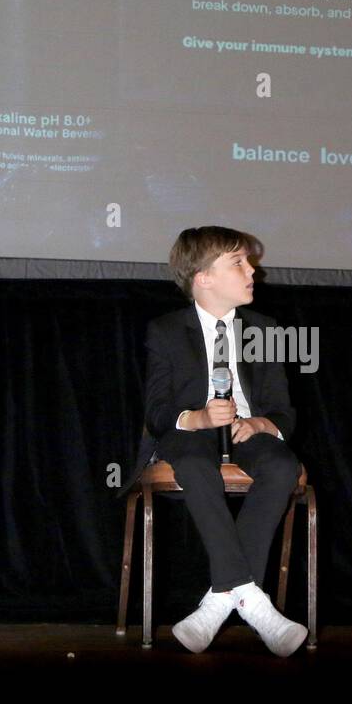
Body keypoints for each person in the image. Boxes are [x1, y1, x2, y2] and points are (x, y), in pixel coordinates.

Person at [134, 226, 307, 656]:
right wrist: (195, 417)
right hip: (191, 434)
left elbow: (285, 411)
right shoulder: (166, 330)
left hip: (247, 430)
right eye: (239, 263)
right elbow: (156, 412)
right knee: (193, 464)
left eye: (249, 263)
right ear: (203, 277)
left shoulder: (265, 331)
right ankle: (253, 601)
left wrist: (264, 424)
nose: (253, 271)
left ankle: (220, 599)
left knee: (283, 466)